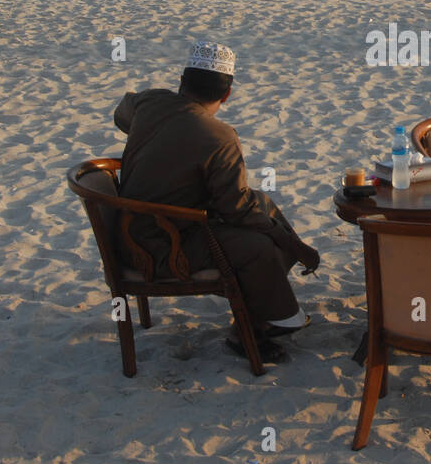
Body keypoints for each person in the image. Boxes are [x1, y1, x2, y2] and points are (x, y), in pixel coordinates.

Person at [114, 41, 320, 362]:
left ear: (181, 81)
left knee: (262, 204)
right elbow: (234, 208)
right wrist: (289, 243)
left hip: (131, 232)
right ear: (227, 95)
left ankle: (264, 312)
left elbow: (122, 115)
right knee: (259, 245)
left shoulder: (148, 101)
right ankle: (255, 325)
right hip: (162, 245)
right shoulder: (218, 135)